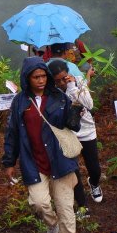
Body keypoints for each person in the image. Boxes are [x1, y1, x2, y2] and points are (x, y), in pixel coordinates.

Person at [2, 57, 80, 233]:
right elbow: (12, 133)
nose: (41, 80)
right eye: (36, 77)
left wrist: (76, 111)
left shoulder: (59, 97)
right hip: (34, 161)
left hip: (60, 160)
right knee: (39, 203)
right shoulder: (20, 102)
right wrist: (9, 162)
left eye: (43, 76)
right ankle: (52, 225)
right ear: (27, 78)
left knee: (65, 207)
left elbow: (72, 126)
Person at [48, 58, 103, 208]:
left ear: (68, 74)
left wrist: (72, 87)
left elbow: (89, 104)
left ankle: (94, 182)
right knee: (73, 170)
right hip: (68, 133)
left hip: (87, 130)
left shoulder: (78, 81)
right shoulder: (52, 91)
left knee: (95, 168)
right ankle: (82, 204)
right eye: (57, 80)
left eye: (63, 78)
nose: (61, 83)